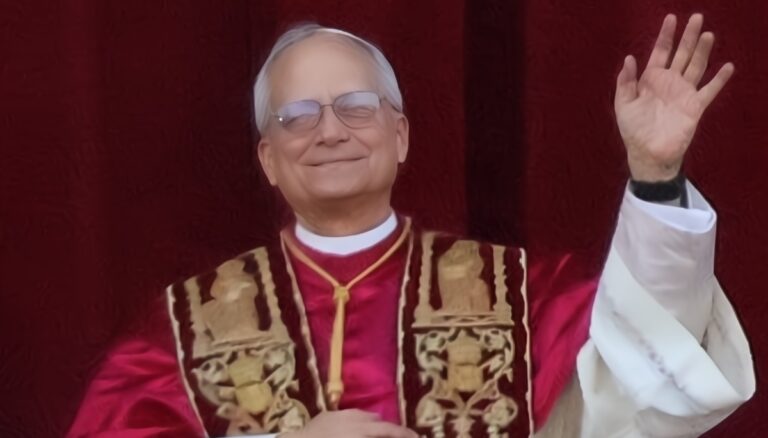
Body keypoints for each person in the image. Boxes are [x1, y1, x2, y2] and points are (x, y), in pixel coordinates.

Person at [68, 13, 755, 438]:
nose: (330, 131)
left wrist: (656, 176)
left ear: (400, 136)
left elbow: (651, 378)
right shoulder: (185, 330)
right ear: (268, 161)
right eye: (298, 116)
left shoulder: (521, 297)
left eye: (356, 106)